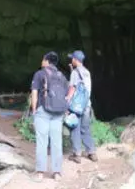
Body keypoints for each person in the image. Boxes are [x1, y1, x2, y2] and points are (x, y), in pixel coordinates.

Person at [30, 51, 68, 181]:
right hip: (58, 113)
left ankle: (40, 173)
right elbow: (66, 95)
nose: (41, 62)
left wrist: (34, 110)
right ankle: (57, 173)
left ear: (46, 61)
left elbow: (34, 93)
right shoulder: (62, 76)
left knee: (42, 141)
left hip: (43, 111)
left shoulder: (39, 74)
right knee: (57, 142)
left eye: (42, 59)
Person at [66, 50, 97, 163]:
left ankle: (77, 154)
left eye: (72, 58)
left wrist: (67, 100)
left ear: (75, 59)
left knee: (75, 127)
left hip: (76, 106)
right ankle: (91, 152)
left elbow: (73, 88)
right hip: (86, 105)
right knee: (85, 128)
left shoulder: (75, 72)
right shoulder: (86, 72)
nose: (71, 60)